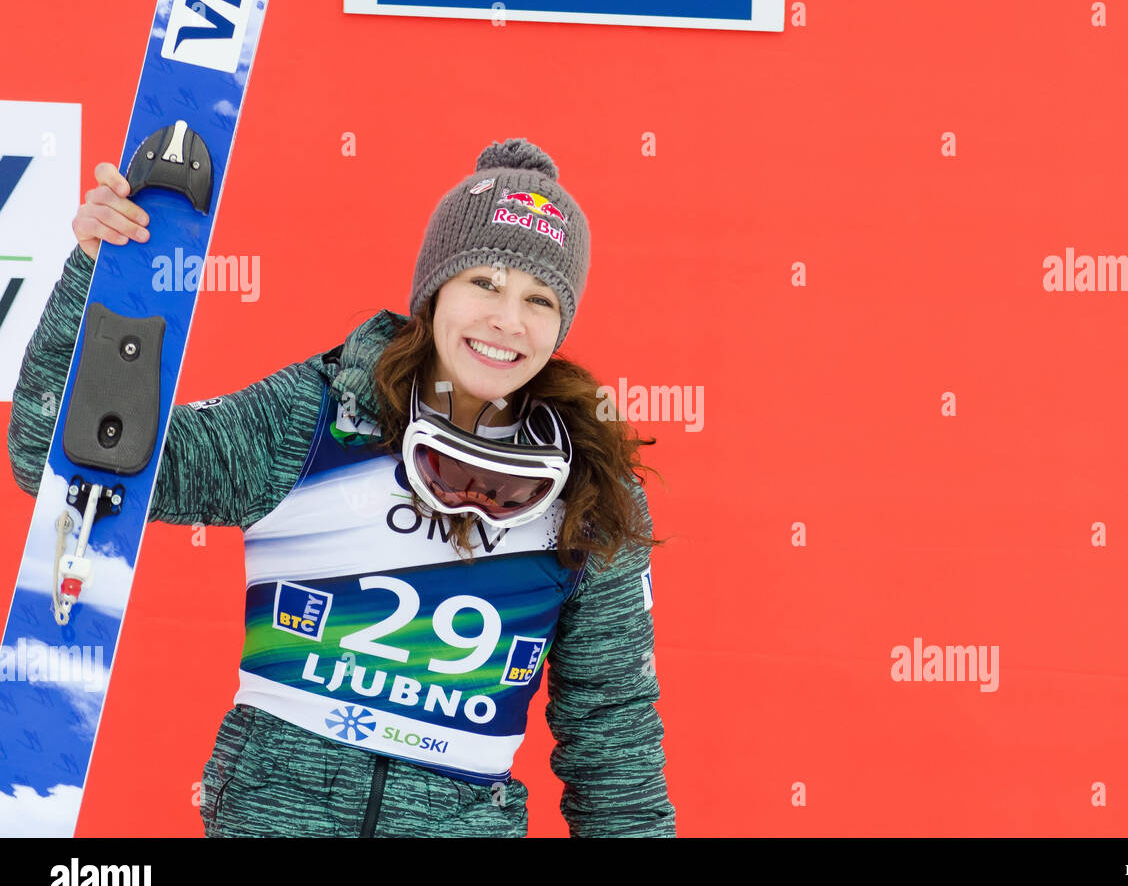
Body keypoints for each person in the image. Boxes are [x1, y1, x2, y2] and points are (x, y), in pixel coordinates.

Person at [7, 138, 675, 837]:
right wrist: (100, 272)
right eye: (485, 282)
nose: (508, 320)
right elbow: (66, 457)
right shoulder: (319, 413)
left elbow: (613, 741)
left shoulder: (590, 491)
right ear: (435, 287)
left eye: (539, 298)